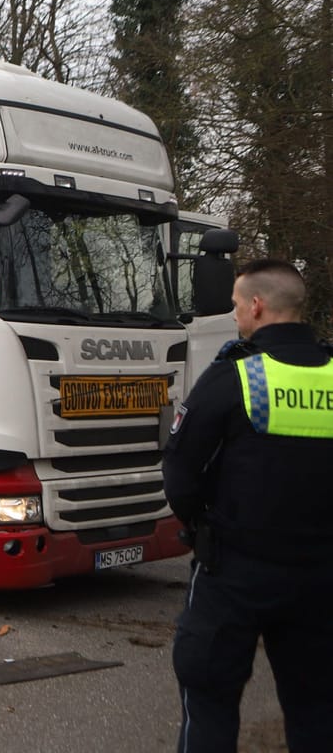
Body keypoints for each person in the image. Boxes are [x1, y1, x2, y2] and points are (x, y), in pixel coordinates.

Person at [163, 259, 333, 752]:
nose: (237, 316)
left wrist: (201, 528)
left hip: (234, 572)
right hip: (322, 578)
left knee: (210, 703)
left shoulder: (235, 376)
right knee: (317, 708)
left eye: (237, 306)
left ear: (256, 306)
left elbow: (180, 473)